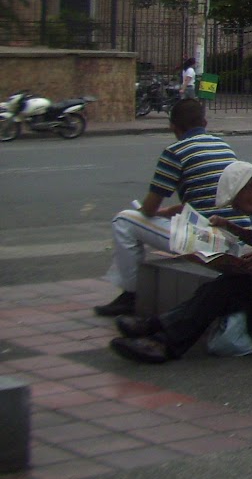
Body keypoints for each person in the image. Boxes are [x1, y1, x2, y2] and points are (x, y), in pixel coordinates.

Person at [108, 161, 252, 365]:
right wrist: (229, 227)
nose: (237, 208)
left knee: (221, 290)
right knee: (211, 289)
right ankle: (157, 328)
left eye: (236, 202)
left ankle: (165, 342)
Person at [94, 100, 241, 317]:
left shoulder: (176, 152)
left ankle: (131, 295)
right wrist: (171, 211)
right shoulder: (223, 146)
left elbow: (148, 209)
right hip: (236, 237)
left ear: (172, 126)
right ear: (205, 122)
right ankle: (128, 293)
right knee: (139, 221)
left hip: (209, 241)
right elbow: (211, 197)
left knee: (124, 221)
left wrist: (154, 212)